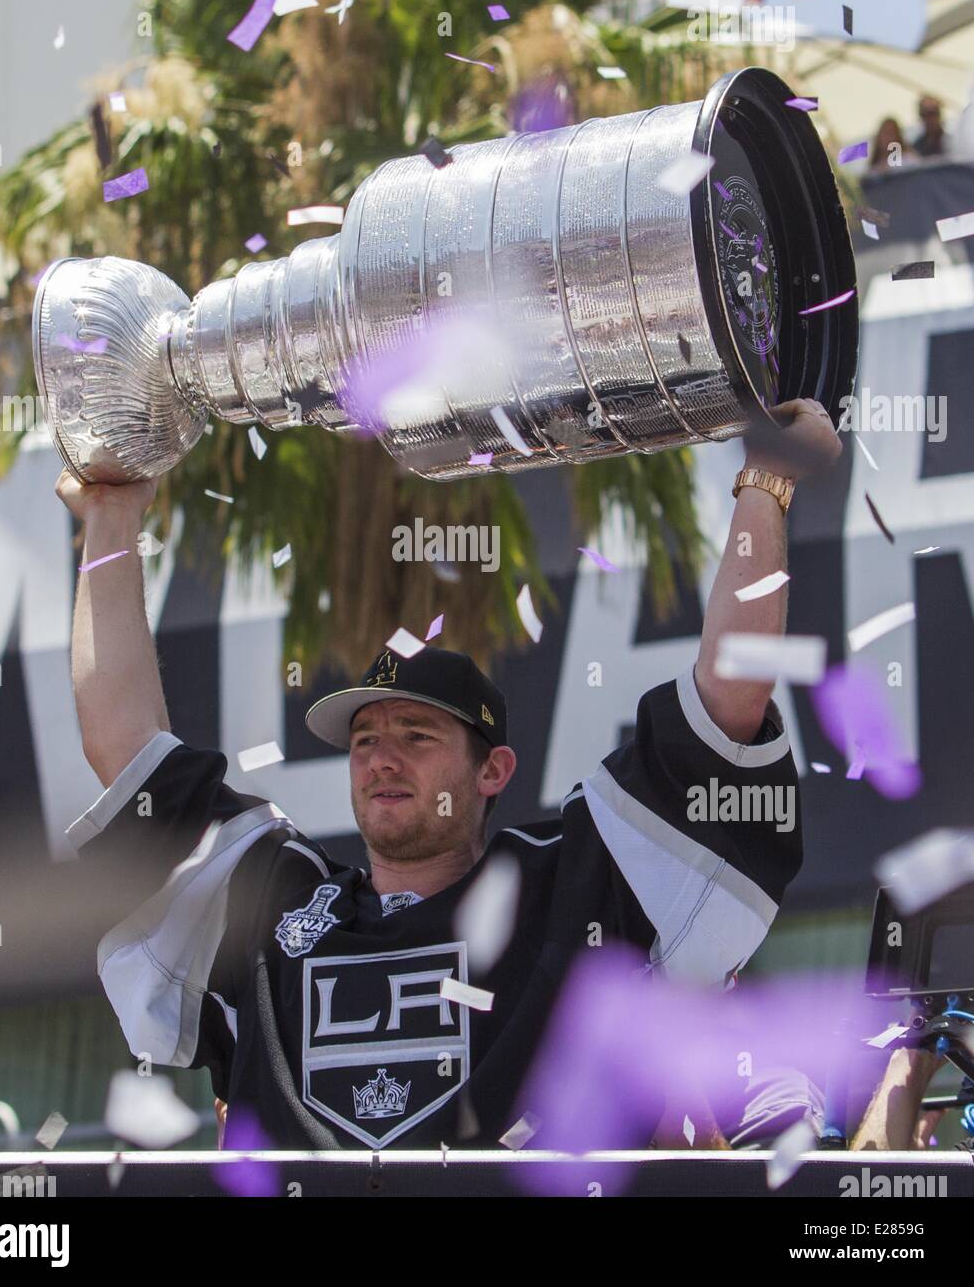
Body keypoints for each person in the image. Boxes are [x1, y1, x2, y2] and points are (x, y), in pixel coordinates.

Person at [58, 398, 841, 1152]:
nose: (381, 758)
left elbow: (729, 698)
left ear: (492, 769)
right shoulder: (272, 902)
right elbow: (125, 751)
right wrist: (111, 517)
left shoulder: (565, 890)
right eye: (363, 741)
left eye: (417, 734)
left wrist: (766, 485)